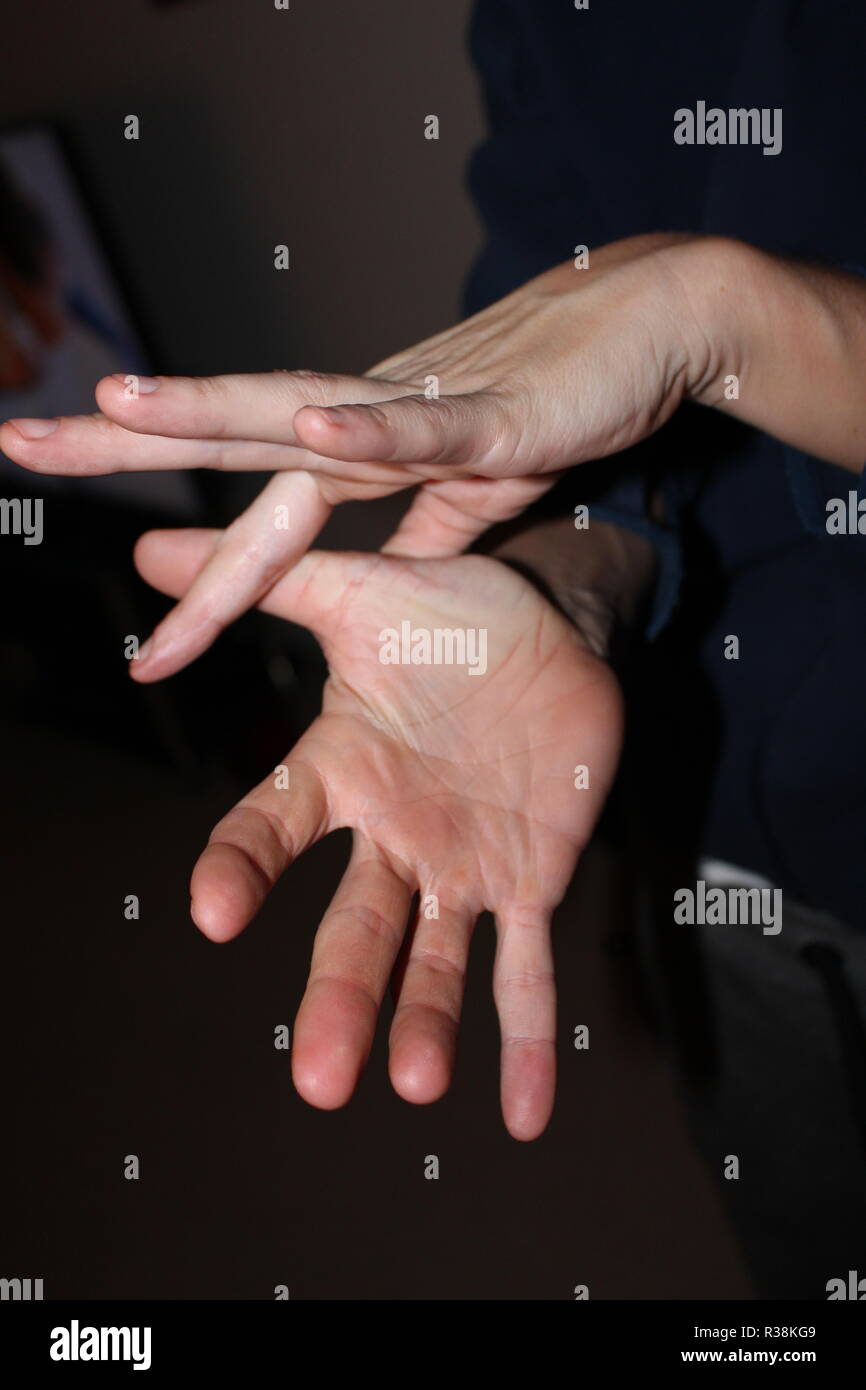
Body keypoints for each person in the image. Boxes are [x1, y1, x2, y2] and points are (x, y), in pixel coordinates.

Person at [3, 0, 866, 1293]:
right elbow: (599, 429)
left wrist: (733, 319)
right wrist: (543, 578)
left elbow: (666, 331)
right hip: (720, 833)